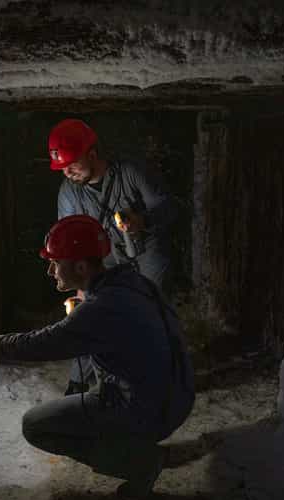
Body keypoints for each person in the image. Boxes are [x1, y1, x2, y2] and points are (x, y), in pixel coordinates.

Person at [0, 215, 195, 500]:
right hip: (178, 395)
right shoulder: (131, 281)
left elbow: (39, 344)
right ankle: (135, 442)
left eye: (56, 263)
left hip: (150, 411)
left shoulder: (100, 308)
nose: (52, 271)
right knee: (96, 388)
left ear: (79, 266)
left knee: (35, 425)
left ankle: (139, 462)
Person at [48, 118, 181, 395]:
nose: (68, 172)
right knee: (88, 312)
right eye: (63, 168)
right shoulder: (69, 191)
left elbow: (169, 207)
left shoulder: (130, 172)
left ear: (92, 154)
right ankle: (80, 382)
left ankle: (163, 375)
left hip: (144, 248)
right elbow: (68, 239)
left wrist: (142, 220)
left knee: (151, 310)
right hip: (105, 257)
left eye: (73, 163)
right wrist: (78, 282)